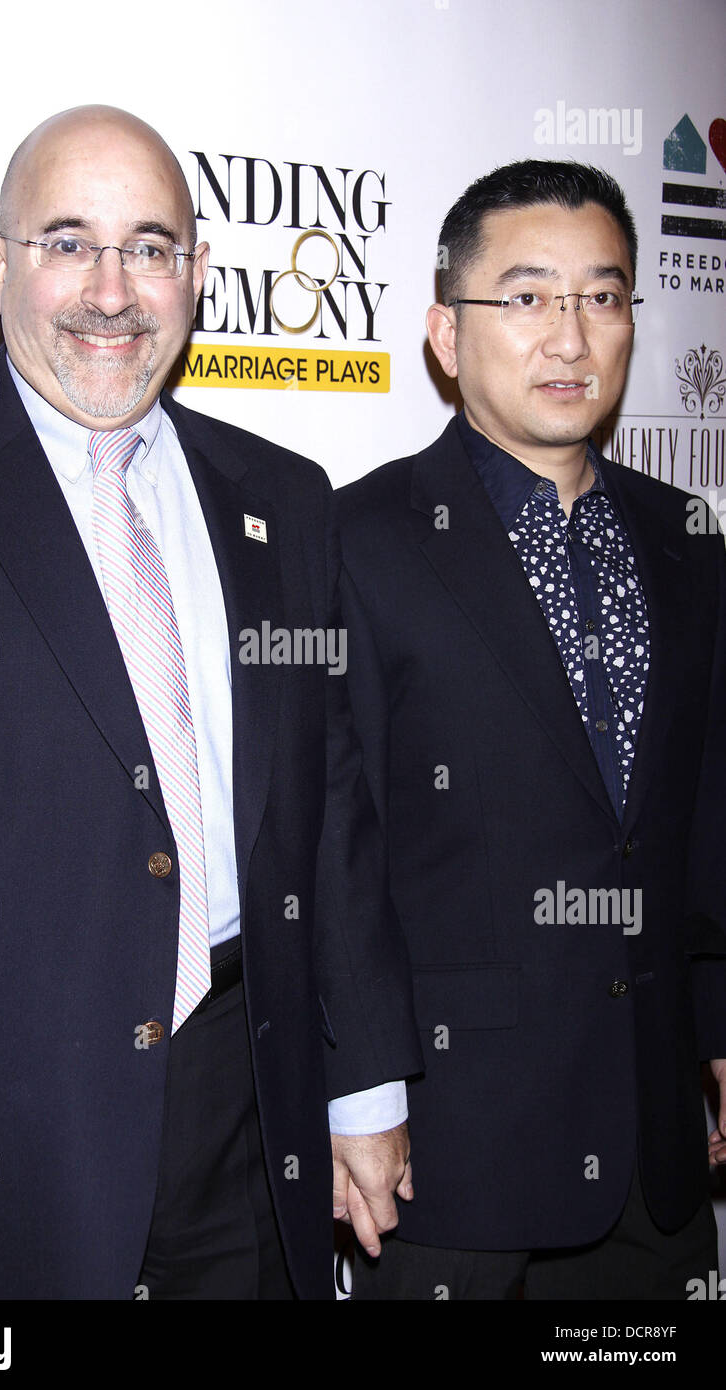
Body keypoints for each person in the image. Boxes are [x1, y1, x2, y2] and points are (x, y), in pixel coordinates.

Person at [0, 105, 421, 1301]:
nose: (111, 291)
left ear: (199, 275)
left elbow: (331, 814)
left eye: (151, 247)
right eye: (66, 241)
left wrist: (363, 1082)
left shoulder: (281, 496)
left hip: (244, 1093)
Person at [338, 160, 726, 1300]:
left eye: (600, 298)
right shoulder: (357, 539)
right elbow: (331, 847)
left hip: (653, 1149)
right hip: (450, 1154)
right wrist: (359, 1091)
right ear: (444, 335)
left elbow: (700, 810)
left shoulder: (685, 536)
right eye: (524, 297)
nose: (568, 336)